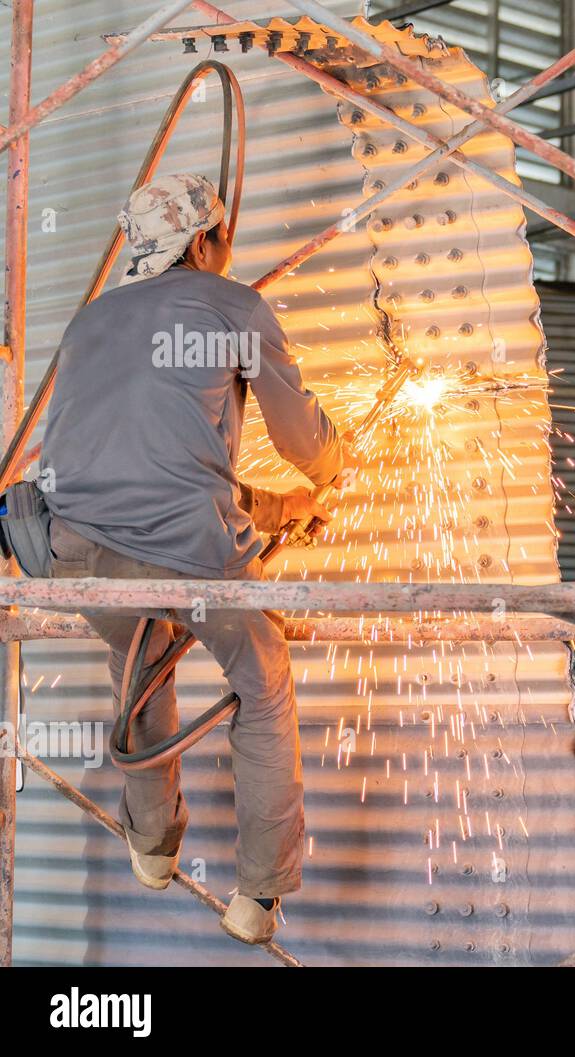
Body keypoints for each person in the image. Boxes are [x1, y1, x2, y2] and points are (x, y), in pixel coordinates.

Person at [38, 173, 345, 945]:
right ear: (203, 239)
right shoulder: (235, 306)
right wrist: (332, 473)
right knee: (261, 680)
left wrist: (282, 513)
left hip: (76, 551)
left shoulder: (86, 323)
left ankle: (150, 845)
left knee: (140, 669)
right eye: (223, 233)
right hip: (187, 551)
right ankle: (260, 894)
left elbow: (157, 473)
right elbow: (300, 439)